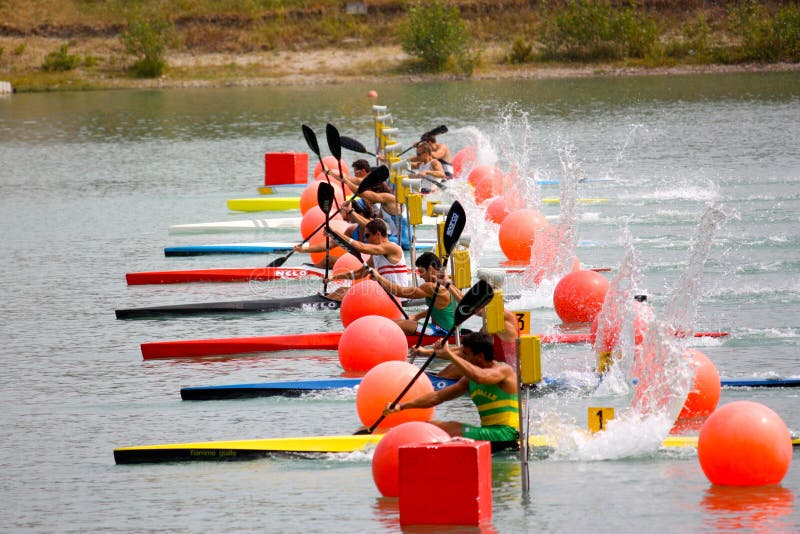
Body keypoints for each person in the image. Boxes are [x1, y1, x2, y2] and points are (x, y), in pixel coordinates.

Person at [384, 332, 520, 443]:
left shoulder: (503, 370)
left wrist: (449, 354)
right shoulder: (468, 380)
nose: (462, 357)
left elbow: (481, 376)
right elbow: (438, 397)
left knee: (450, 428)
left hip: (508, 433)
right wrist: (402, 406)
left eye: (465, 354)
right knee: (430, 426)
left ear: (480, 356)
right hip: (489, 433)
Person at [370, 251, 456, 336]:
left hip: (443, 332)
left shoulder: (431, 287)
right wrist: (416, 317)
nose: (420, 276)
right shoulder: (447, 282)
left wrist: (379, 277)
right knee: (393, 322)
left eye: (421, 271)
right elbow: (436, 308)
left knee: (392, 325)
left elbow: (401, 292)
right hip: (450, 331)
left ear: (430, 269)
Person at [324, 218, 410, 290]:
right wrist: (333, 277)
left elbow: (363, 248)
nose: (366, 239)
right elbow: (360, 273)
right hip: (384, 296)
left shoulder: (392, 248)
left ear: (378, 234)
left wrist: (336, 233)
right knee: (342, 290)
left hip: (398, 298)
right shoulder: (375, 255)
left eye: (367, 235)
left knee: (343, 292)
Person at [292, 197, 374, 269]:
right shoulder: (352, 230)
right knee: (328, 260)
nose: (346, 216)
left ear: (360, 214)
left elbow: (369, 225)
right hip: (357, 262)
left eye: (349, 213)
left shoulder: (376, 226)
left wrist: (335, 232)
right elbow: (330, 245)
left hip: (373, 264)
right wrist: (304, 249)